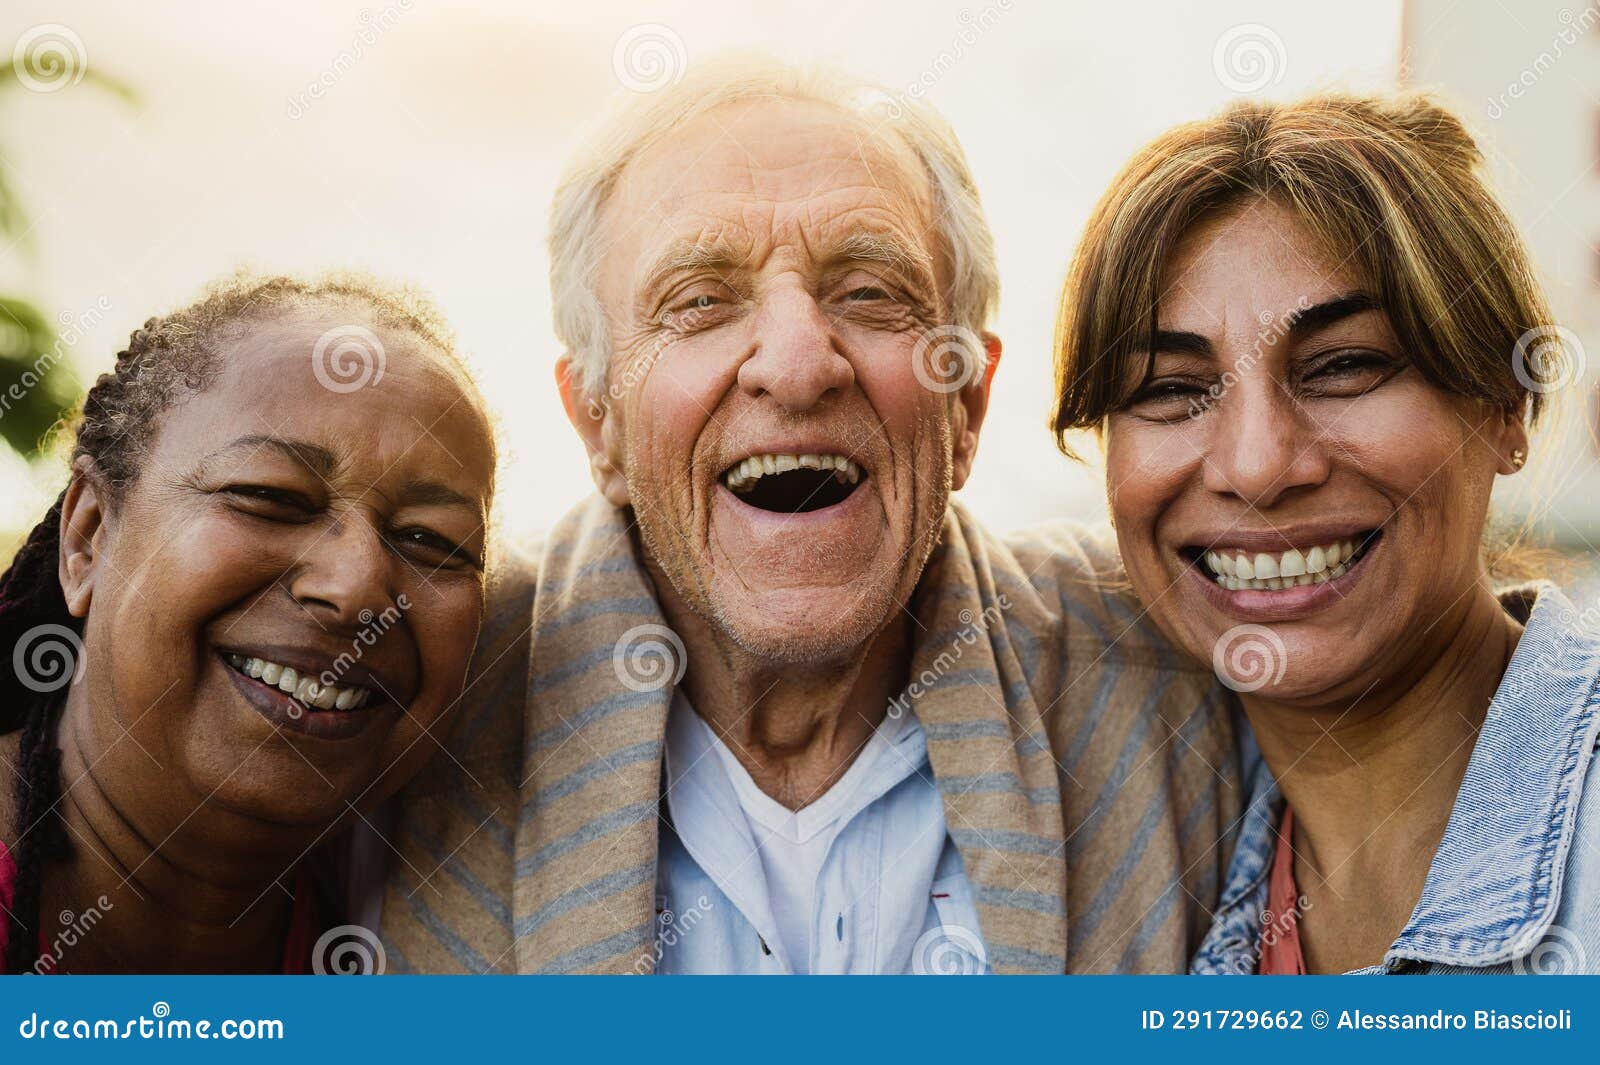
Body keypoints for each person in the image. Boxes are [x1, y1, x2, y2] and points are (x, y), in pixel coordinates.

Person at [377, 57, 1249, 975]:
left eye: (869, 292)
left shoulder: (1169, 660)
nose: (796, 364)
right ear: (598, 419)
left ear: (968, 409)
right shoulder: (423, 693)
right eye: (700, 302)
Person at [1051, 92, 1599, 974]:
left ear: (1505, 406)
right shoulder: (1155, 910)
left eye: (1344, 366)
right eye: (1168, 386)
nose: (1259, 464)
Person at [0, 273, 497, 973]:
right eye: (269, 496)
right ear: (88, 537)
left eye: (431, 541)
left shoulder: (416, 958)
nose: (355, 587)